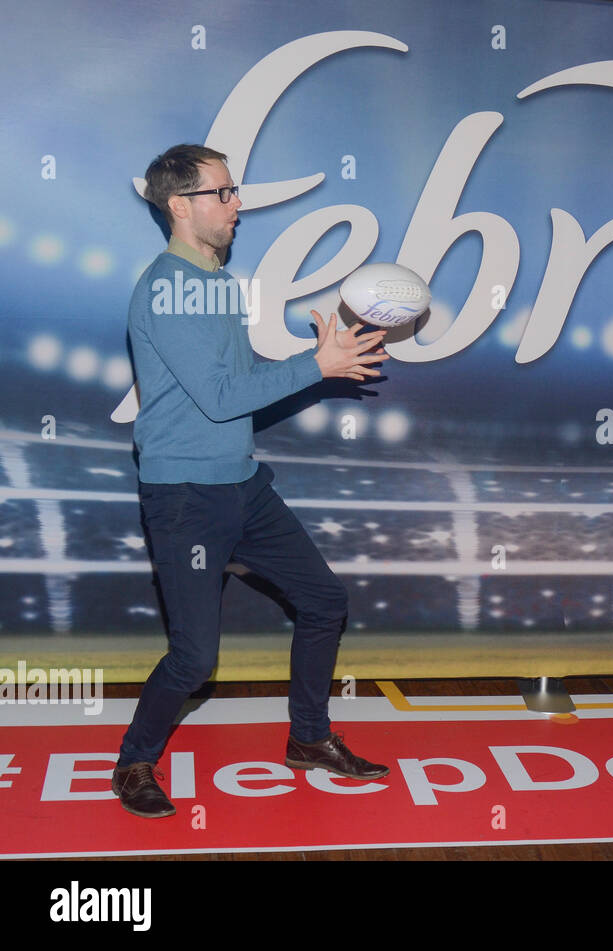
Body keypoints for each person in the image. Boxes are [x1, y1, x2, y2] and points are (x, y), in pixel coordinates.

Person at [113, 143, 391, 818]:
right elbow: (216, 395)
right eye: (224, 194)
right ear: (181, 206)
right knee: (193, 657)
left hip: (241, 483)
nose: (238, 205)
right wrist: (315, 364)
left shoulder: (212, 280)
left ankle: (309, 737)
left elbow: (233, 380)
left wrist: (315, 361)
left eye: (236, 192)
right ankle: (133, 762)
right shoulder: (165, 288)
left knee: (325, 600)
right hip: (186, 496)